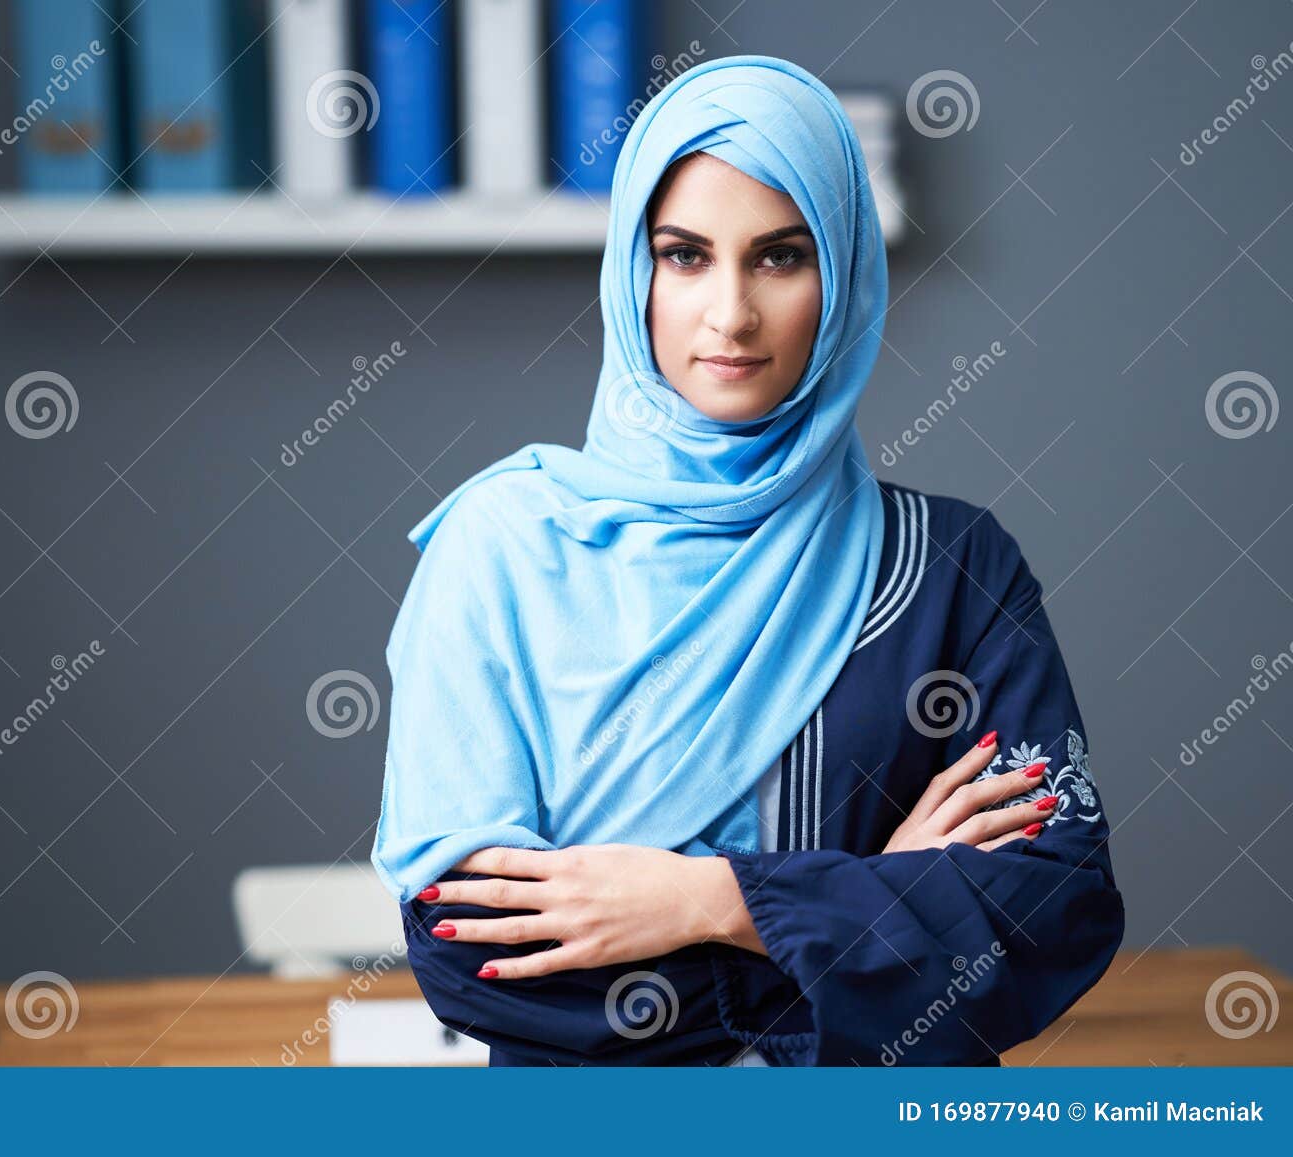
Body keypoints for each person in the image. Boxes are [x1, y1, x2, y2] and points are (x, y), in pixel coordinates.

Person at [368, 54, 1123, 1066]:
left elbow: (1055, 910)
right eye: (684, 255)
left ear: (845, 274)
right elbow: (471, 956)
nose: (729, 314)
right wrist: (865, 911)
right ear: (631, 273)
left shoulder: (952, 567)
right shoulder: (501, 546)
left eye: (779, 256)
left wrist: (710, 899)